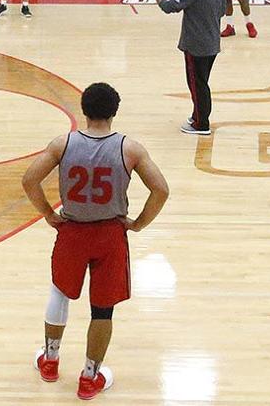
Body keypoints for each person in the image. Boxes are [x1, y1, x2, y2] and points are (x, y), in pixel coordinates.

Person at [21, 82, 169, 400]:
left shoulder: (63, 143)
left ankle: (49, 361)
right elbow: (161, 189)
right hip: (110, 236)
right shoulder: (131, 149)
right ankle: (89, 378)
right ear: (114, 112)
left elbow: (29, 179)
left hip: (72, 231)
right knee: (102, 310)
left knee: (59, 293)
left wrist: (48, 213)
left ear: (84, 109)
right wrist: (139, 224)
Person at [141, 0, 225, 135]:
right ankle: (198, 115)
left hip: (196, 46)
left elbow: (168, 7)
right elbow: (222, 11)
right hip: (212, 43)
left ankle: (201, 124)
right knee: (202, 82)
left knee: (197, 85)